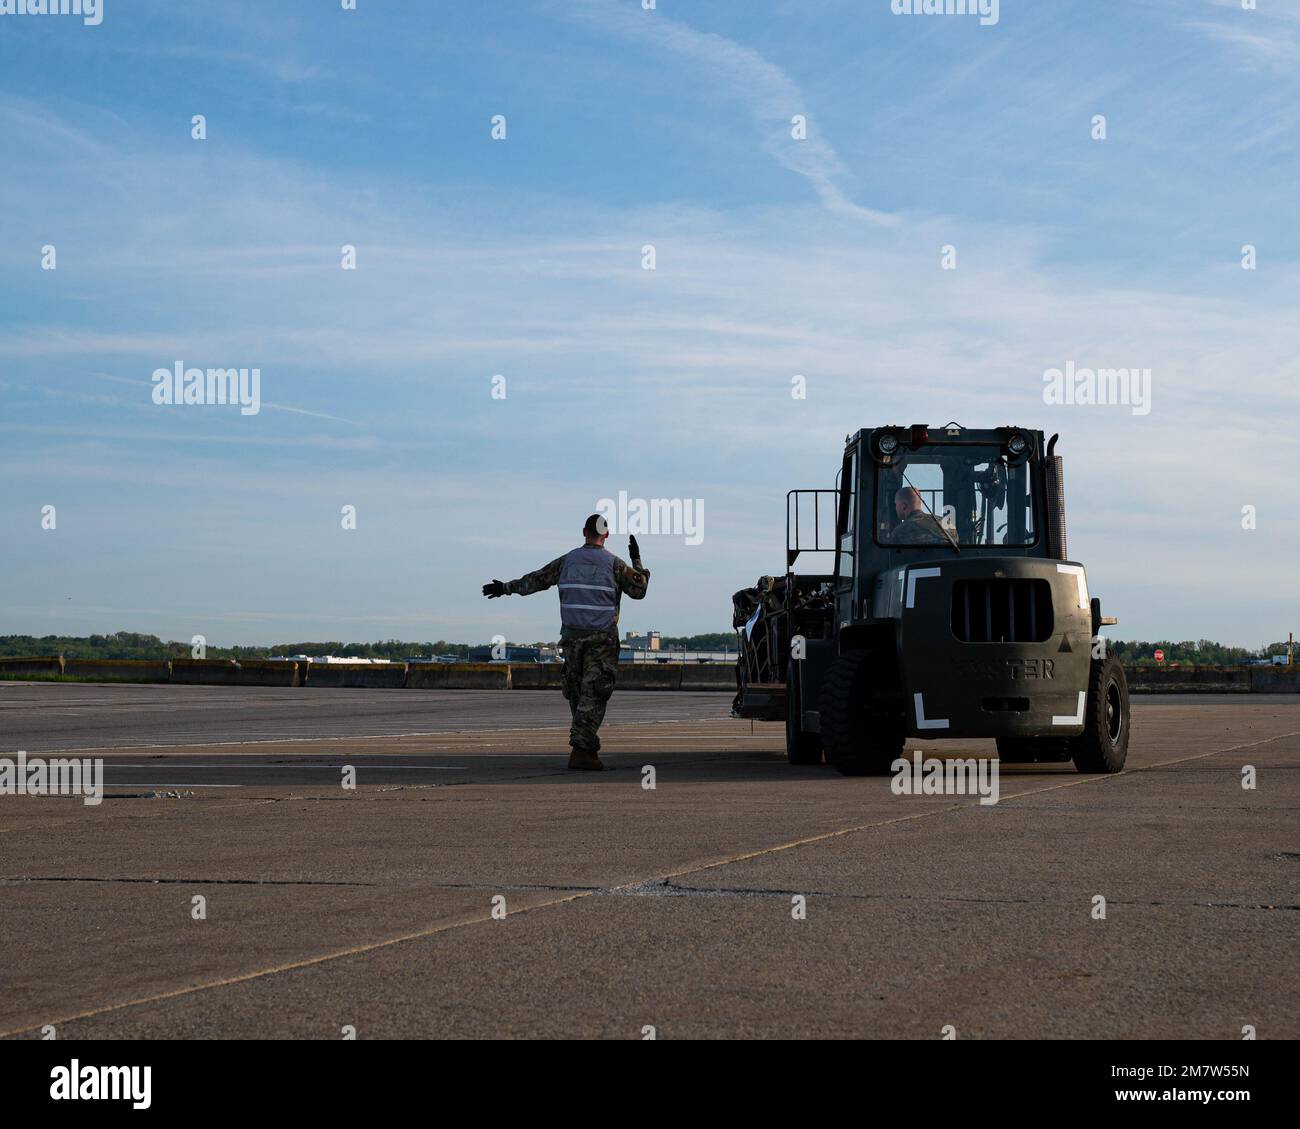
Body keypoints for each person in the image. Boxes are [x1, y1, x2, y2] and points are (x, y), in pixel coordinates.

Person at [482, 515, 650, 770]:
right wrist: (637, 561)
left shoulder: (567, 561)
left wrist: (505, 587)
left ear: (584, 532)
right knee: (594, 694)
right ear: (607, 536)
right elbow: (639, 590)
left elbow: (536, 580)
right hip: (601, 640)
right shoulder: (614, 564)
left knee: (577, 693)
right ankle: (581, 751)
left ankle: (586, 749)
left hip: (572, 639)